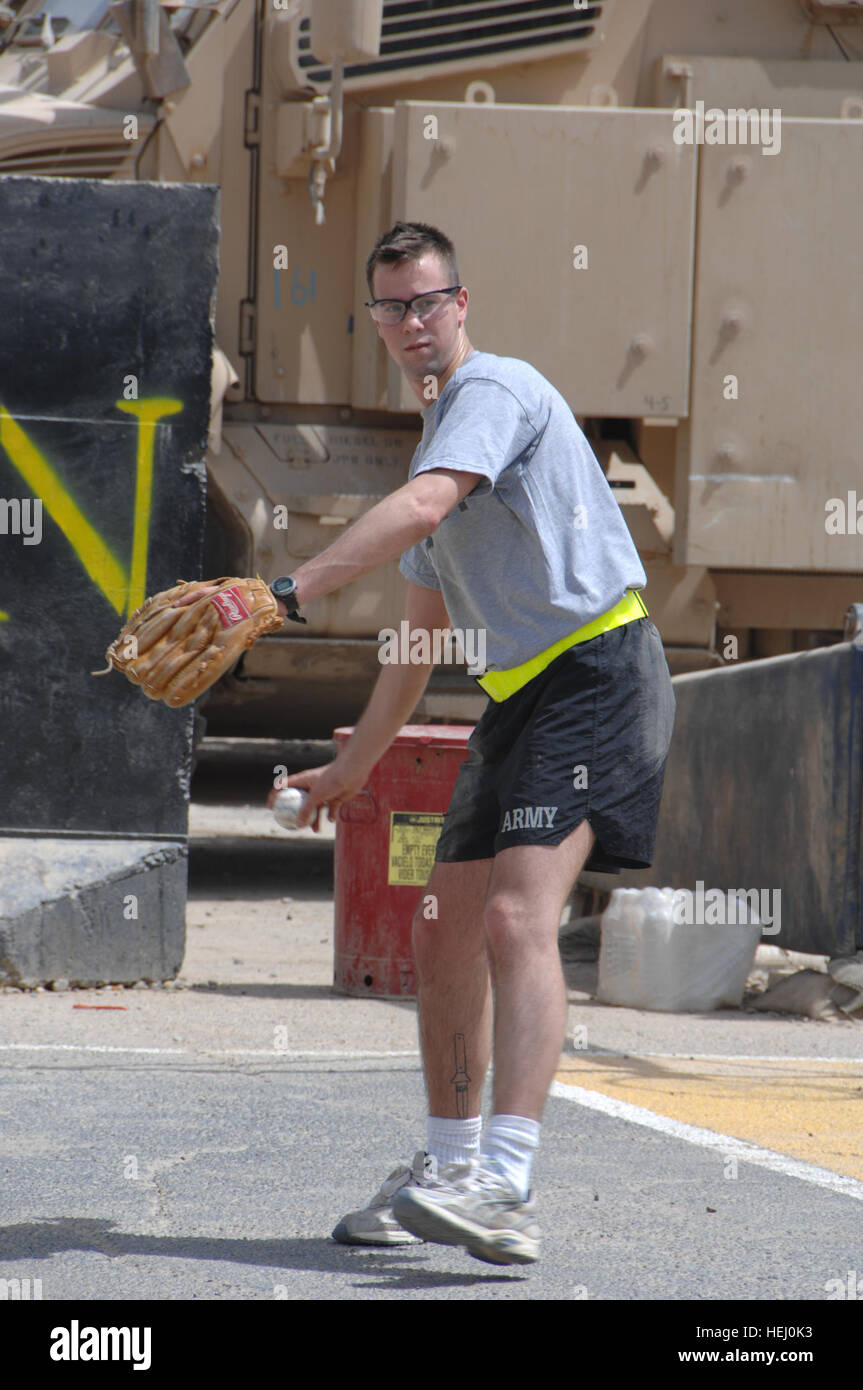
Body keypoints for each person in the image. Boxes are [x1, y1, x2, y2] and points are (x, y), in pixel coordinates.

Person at [186, 220, 676, 1266]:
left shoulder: (490, 394)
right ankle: (449, 1164)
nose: (412, 324)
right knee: (437, 927)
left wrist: (279, 593)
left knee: (512, 914)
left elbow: (419, 509)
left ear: (460, 305)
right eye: (391, 309)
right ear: (374, 323)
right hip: (519, 695)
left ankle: (506, 1182)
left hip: (598, 671)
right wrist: (352, 770)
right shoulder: (435, 444)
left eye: (427, 302)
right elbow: (413, 636)